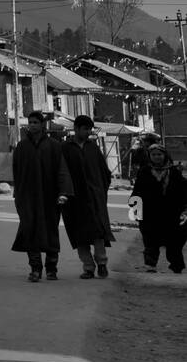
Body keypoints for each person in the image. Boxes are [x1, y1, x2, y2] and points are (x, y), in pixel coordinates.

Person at [11, 111, 74, 282]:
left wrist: (63, 193)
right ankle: (35, 269)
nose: (32, 125)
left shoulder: (54, 146)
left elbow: (62, 170)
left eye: (35, 122)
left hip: (50, 197)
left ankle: (52, 269)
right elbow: (16, 172)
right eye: (30, 122)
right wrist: (17, 193)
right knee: (30, 231)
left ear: (42, 125)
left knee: (50, 231)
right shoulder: (22, 147)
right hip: (27, 197)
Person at [60, 115, 115, 279]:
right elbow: (61, 172)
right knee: (80, 235)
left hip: (94, 198)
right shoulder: (65, 148)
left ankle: (102, 264)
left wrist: (100, 191)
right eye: (85, 129)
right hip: (74, 198)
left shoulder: (93, 148)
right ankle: (88, 267)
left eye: (90, 129)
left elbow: (104, 172)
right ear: (76, 129)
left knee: (98, 232)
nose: (88, 132)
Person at [130, 143, 187, 273]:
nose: (157, 157)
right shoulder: (144, 171)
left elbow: (183, 191)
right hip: (150, 214)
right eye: (154, 155)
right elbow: (137, 191)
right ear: (150, 156)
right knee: (150, 240)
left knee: (175, 242)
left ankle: (176, 266)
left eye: (159, 154)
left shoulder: (174, 172)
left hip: (171, 213)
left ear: (165, 155)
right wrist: (135, 211)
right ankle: (150, 265)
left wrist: (184, 209)